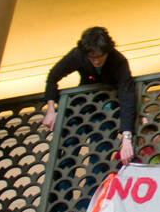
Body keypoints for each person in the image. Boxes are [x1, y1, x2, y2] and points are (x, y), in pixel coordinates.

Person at [42, 26, 138, 166]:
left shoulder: (118, 61)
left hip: (106, 109)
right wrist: (51, 109)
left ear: (107, 51)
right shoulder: (77, 55)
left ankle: (94, 187)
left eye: (100, 56)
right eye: (92, 57)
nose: (97, 61)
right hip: (81, 107)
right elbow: (53, 76)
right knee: (68, 150)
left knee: (100, 154)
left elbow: (127, 96)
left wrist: (127, 138)